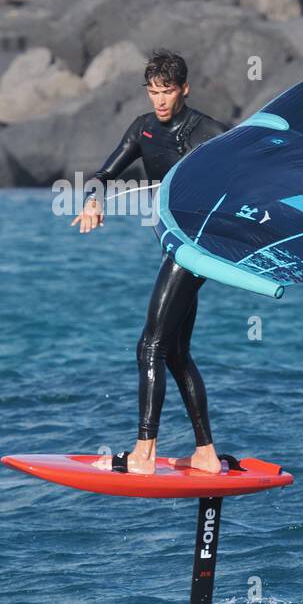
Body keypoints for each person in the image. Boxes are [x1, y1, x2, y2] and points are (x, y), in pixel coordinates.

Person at [71, 49, 228, 475]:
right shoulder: (143, 130)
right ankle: (206, 454)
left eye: (167, 92)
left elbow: (245, 175)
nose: (159, 101)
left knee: (150, 346)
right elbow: (103, 176)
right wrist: (92, 201)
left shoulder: (208, 132)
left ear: (184, 90)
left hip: (195, 248)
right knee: (175, 352)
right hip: (174, 245)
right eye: (153, 92)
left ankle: (144, 452)